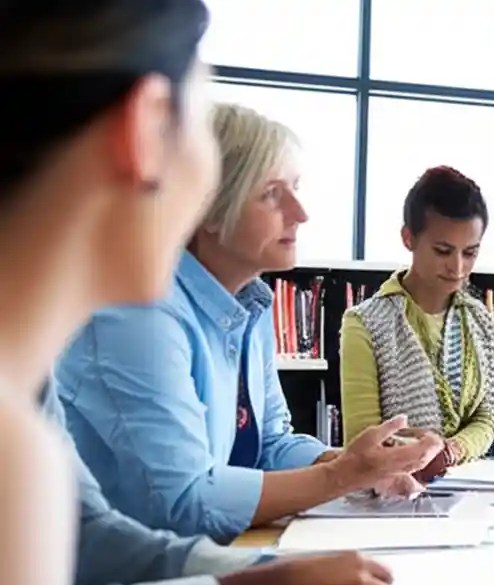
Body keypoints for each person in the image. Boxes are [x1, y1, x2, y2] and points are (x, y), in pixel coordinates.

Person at [0, 2, 451, 585]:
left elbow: (73, 574)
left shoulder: (29, 385)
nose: (300, 215)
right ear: (145, 130)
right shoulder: (16, 440)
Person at [57, 101, 440, 543]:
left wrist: (363, 465)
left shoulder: (249, 302)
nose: (301, 213)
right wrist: (344, 476)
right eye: (272, 194)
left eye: (296, 188)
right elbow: (184, 501)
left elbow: (270, 444)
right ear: (210, 210)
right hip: (105, 584)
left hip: (194, 559)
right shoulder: (138, 310)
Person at [44, 378, 395, 585]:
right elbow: (185, 502)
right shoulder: (134, 316)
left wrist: (269, 569)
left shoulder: (33, 375)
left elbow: (87, 533)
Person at [341, 165, 494, 473]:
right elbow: (363, 439)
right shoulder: (365, 324)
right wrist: (424, 452)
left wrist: (451, 450)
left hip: (468, 487)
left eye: (470, 253)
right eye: (443, 251)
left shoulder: (481, 320)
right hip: (391, 489)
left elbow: (488, 416)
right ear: (408, 238)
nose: (457, 267)